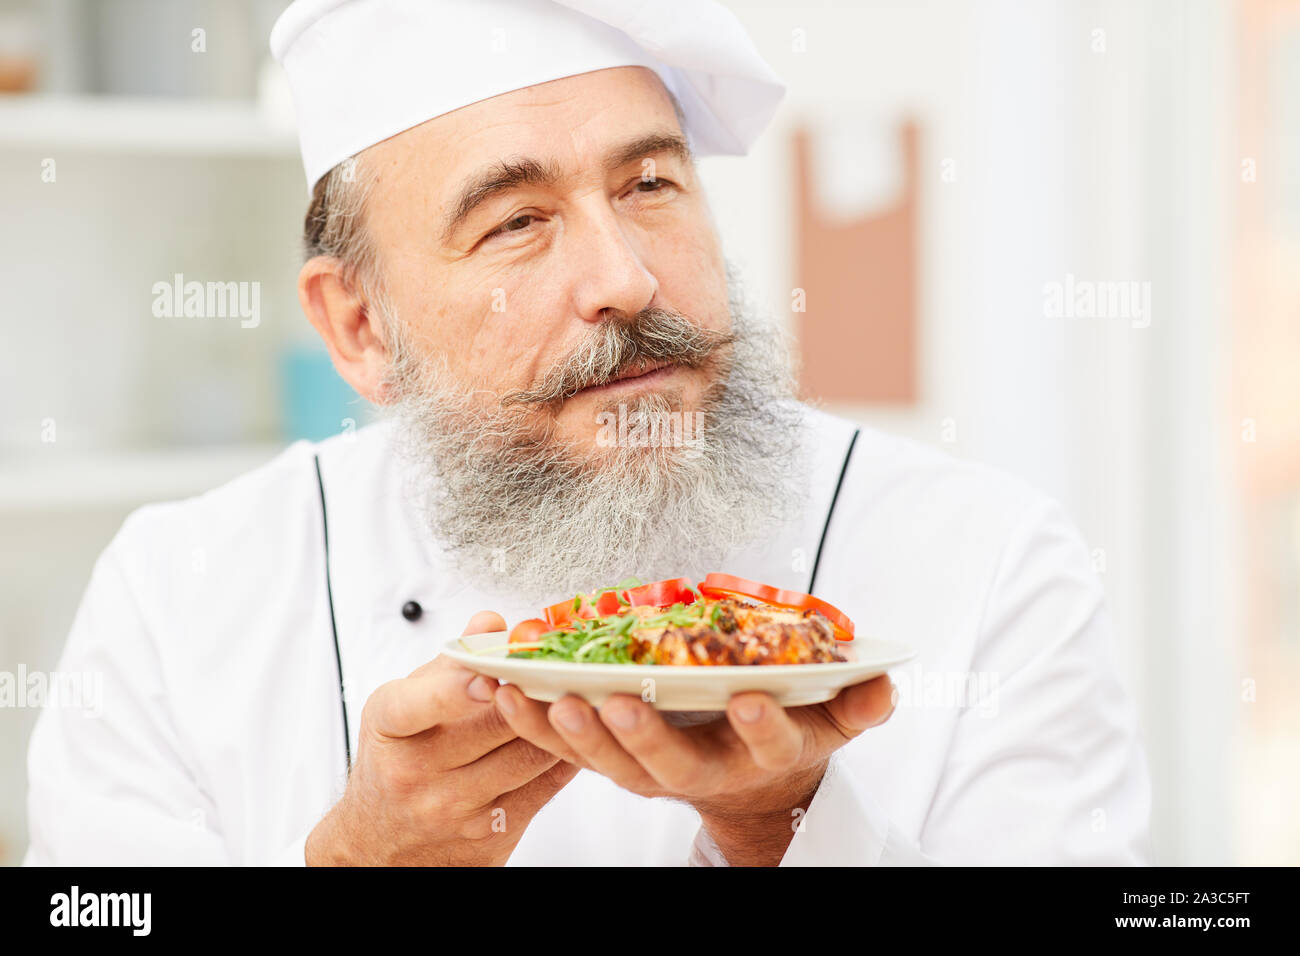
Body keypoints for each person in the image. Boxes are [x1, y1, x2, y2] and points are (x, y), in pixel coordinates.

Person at [24, 0, 1150, 866]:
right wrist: (354, 860)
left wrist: (783, 828)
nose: (624, 276)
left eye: (651, 184)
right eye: (516, 222)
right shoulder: (179, 595)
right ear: (359, 327)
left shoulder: (991, 565)